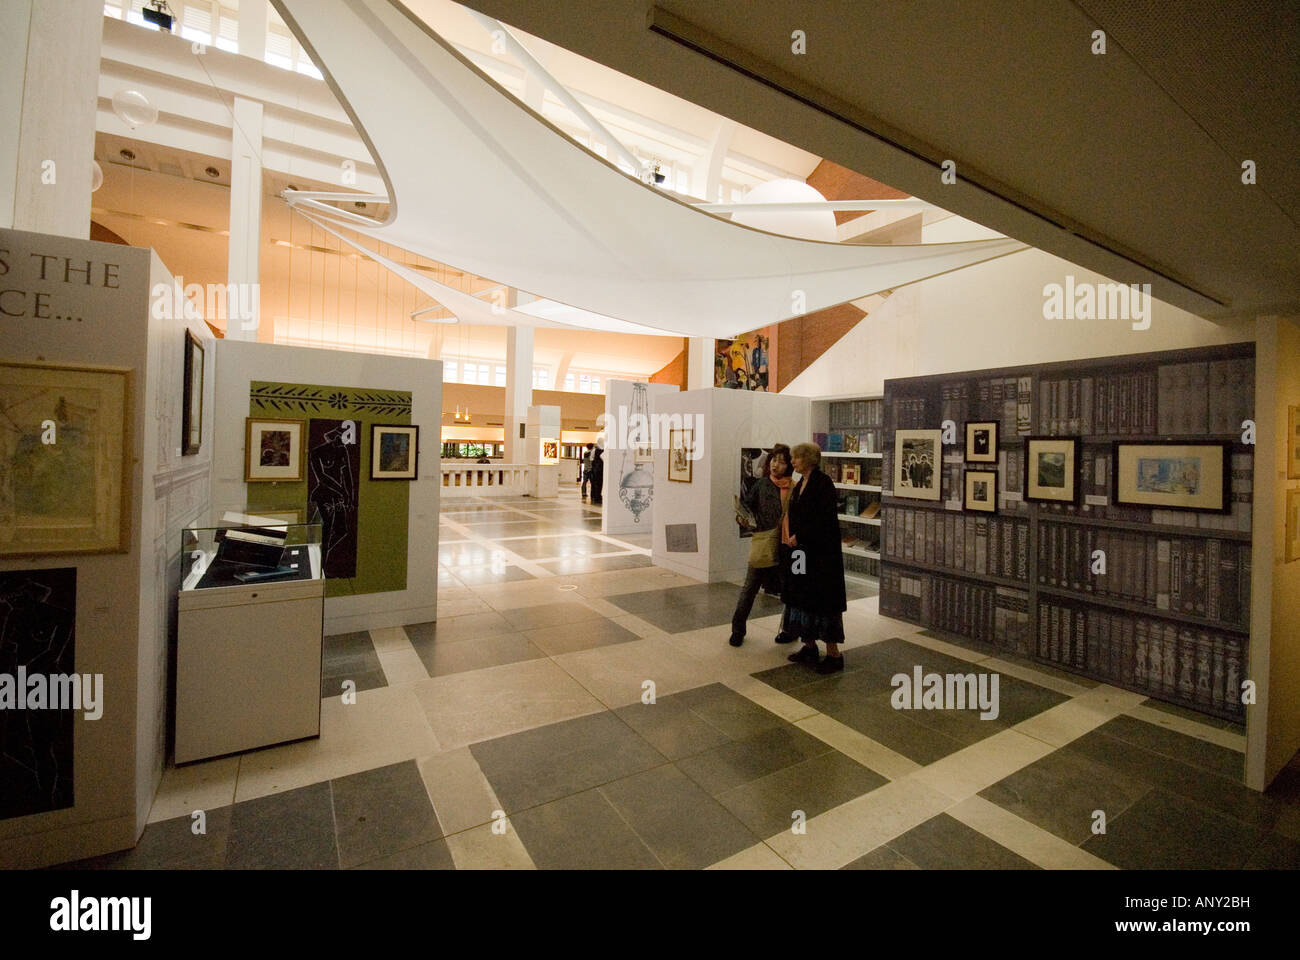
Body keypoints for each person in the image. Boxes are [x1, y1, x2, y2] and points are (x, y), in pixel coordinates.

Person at [781, 442, 848, 673]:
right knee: (801, 597)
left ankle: (833, 654)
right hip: (801, 553)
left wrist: (800, 536)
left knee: (823, 601)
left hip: (821, 557)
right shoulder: (800, 483)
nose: (793, 462)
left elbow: (824, 519)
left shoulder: (823, 483)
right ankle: (809, 645)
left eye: (796, 458)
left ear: (808, 459)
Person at [729, 444, 794, 647]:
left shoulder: (795, 487)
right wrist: (743, 518)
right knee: (749, 589)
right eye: (774, 460)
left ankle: (789, 630)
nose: (776, 465)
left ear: (789, 465)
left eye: (782, 461)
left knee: (790, 591)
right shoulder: (761, 484)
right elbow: (747, 507)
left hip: (787, 547)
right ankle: (737, 630)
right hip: (764, 543)